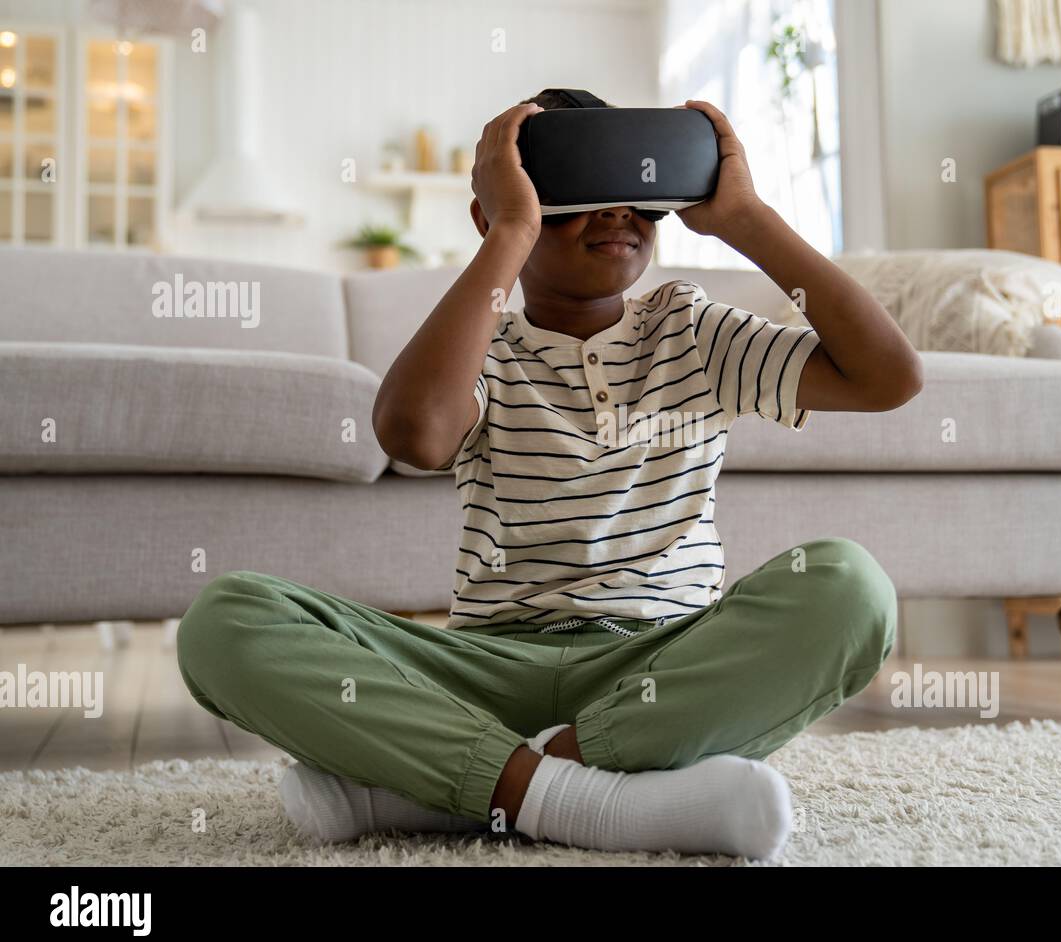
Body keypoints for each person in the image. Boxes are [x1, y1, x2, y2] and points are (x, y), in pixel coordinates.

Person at [177, 90, 923, 861]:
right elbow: (413, 435)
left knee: (850, 585)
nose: (614, 211)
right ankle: (601, 798)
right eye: (576, 191)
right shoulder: (482, 348)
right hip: (483, 666)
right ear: (508, 209)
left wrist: (745, 220)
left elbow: (888, 378)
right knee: (226, 619)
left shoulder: (694, 330)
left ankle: (453, 787)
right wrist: (509, 231)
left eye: (637, 191)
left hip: (662, 663)